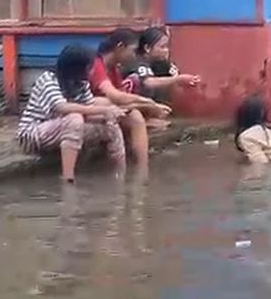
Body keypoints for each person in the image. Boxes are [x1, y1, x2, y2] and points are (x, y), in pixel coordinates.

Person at [16, 44, 127, 182]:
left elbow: (89, 106)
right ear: (77, 68)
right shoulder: (48, 80)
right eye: (90, 68)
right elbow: (61, 107)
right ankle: (68, 178)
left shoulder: (82, 83)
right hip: (33, 134)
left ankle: (122, 174)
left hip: (64, 131)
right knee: (75, 118)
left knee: (109, 122)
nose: (93, 71)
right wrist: (103, 109)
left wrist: (110, 114)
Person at [90, 28, 172, 165]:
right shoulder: (97, 64)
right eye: (132, 50)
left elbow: (124, 99)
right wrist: (149, 103)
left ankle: (142, 167)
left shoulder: (114, 69)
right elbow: (115, 96)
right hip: (88, 108)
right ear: (120, 47)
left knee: (136, 115)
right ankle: (141, 168)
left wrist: (151, 107)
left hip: (108, 110)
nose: (134, 55)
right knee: (133, 115)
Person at [124, 26, 201, 107]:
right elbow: (148, 83)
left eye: (167, 47)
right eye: (162, 47)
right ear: (147, 48)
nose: (166, 50)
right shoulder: (137, 61)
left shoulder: (161, 64)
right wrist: (178, 79)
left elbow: (175, 79)